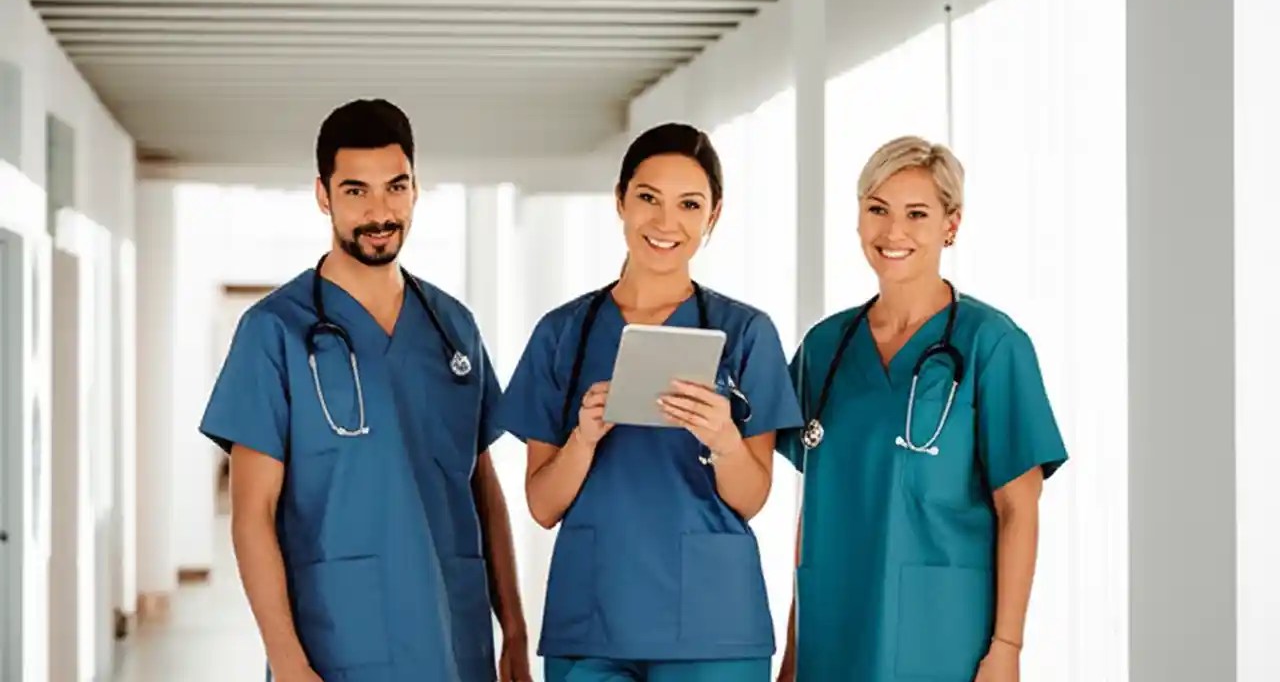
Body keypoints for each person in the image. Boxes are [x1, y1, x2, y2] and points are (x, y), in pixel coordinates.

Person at [199, 99, 531, 682]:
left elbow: (483, 490)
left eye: (395, 187)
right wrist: (286, 661)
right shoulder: (274, 331)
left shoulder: (452, 326)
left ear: (415, 188)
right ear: (323, 194)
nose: (380, 212)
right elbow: (252, 514)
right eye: (356, 191)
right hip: (337, 646)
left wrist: (516, 635)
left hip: (456, 641)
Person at [496, 123, 804, 682]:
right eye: (648, 198)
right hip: (592, 623)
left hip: (714, 628)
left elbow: (753, 496)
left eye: (689, 204)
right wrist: (584, 439)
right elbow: (542, 506)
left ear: (713, 215)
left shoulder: (745, 333)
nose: (666, 223)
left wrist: (724, 439)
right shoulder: (563, 333)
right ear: (620, 201)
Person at [776, 136, 1069, 682]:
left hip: (944, 635)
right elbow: (815, 508)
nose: (893, 232)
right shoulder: (825, 347)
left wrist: (1007, 647)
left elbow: (1019, 507)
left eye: (917, 214)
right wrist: (794, 655)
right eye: (877, 210)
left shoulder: (991, 344)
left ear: (950, 225)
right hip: (834, 629)